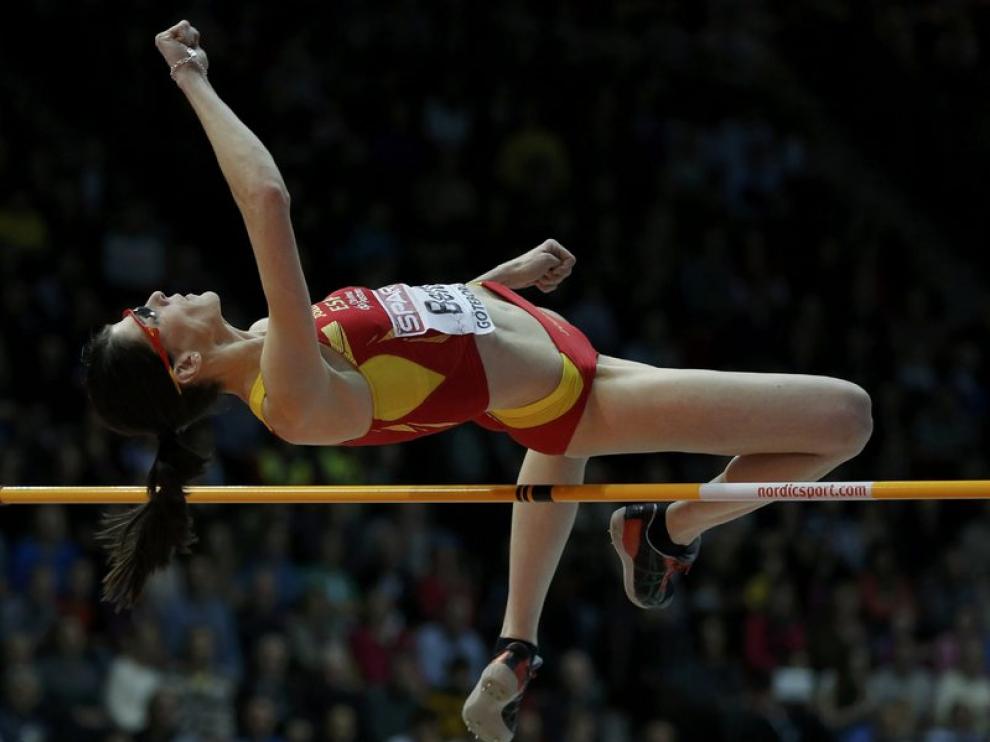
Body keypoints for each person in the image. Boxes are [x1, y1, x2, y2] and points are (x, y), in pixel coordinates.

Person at [81, 21, 874, 742]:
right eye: (146, 317)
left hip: (546, 347)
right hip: (572, 401)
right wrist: (192, 80)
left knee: (822, 423)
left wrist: (496, 283)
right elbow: (266, 199)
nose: (156, 296)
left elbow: (421, 349)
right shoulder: (286, 390)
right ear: (181, 367)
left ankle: (519, 642)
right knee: (845, 418)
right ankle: (672, 529)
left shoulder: (264, 340)